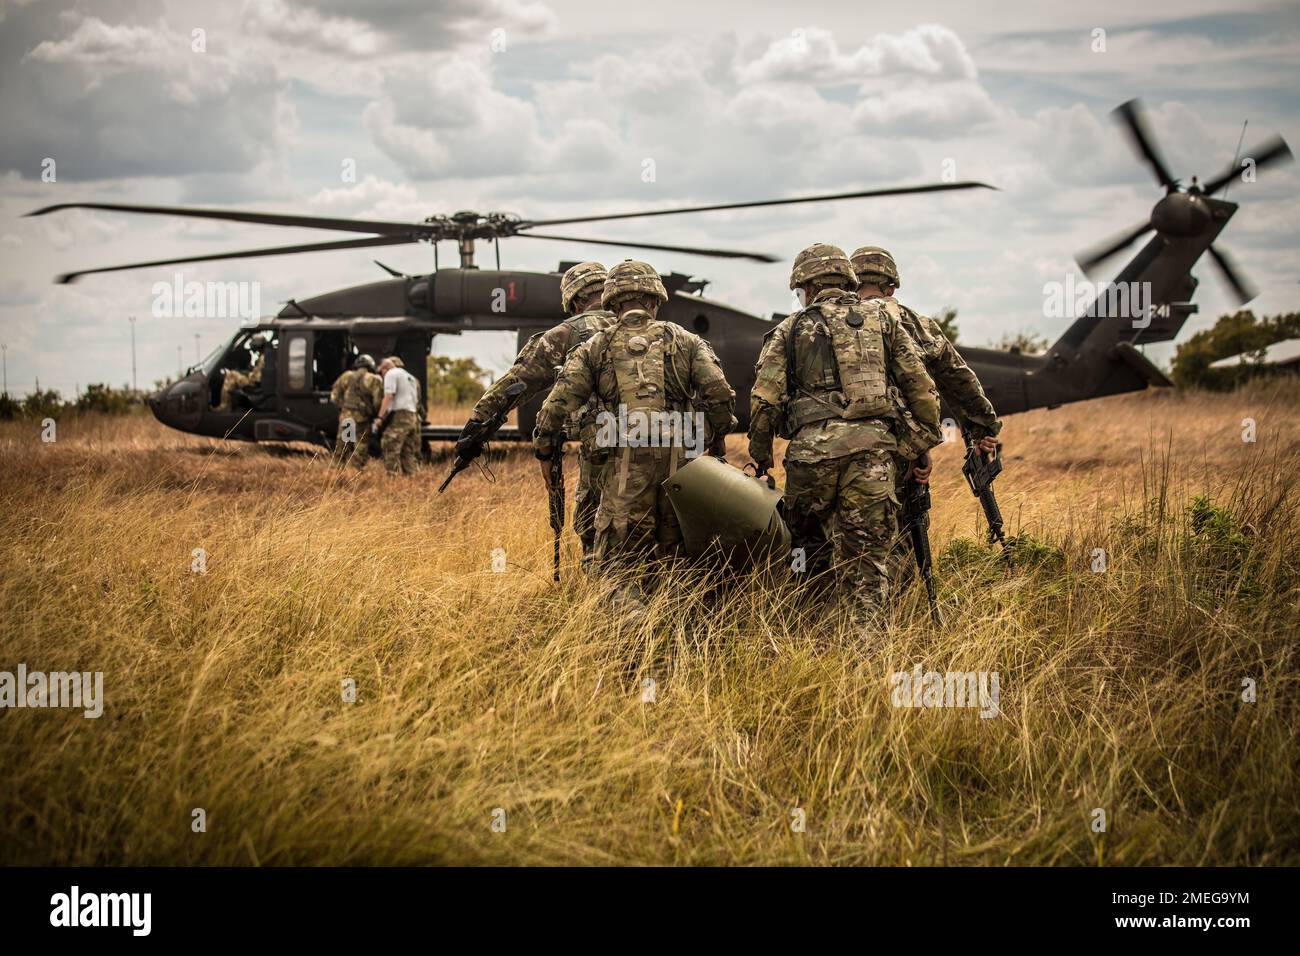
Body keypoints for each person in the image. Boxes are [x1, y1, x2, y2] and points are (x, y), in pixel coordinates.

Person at [748, 243, 941, 624]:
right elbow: (923, 393)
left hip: (809, 463)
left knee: (806, 553)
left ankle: (808, 632)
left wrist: (761, 454)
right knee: (868, 563)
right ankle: (866, 657)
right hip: (873, 461)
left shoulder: (791, 329)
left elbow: (764, 400)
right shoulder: (885, 323)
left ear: (808, 285)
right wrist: (910, 446)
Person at [533, 260, 735, 604]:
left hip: (624, 475)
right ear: (655, 299)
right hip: (682, 472)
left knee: (619, 569)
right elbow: (718, 393)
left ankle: (632, 640)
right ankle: (681, 634)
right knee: (678, 562)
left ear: (612, 302)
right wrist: (715, 440)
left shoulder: (595, 347)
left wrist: (543, 446)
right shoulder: (686, 341)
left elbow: (557, 404)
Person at [849, 246, 1002, 578]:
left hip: (837, 450)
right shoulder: (914, 323)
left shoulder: (834, 325)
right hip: (902, 450)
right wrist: (982, 428)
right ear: (891, 287)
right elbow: (958, 378)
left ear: (851, 283)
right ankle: (898, 610)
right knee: (903, 533)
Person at [455, 261, 616, 570]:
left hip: (602, 450)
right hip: (664, 447)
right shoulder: (646, 329)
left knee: (595, 532)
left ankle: (608, 606)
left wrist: (476, 427)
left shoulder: (565, 335)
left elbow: (515, 384)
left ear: (575, 300)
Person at [329, 353, 383, 467]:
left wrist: (343, 407)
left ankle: (336, 476)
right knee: (360, 448)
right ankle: (355, 476)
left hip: (346, 417)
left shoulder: (346, 376)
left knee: (342, 447)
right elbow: (378, 402)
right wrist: (374, 414)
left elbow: (334, 396)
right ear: (370, 366)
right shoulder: (374, 379)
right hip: (362, 419)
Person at [374, 356, 422, 476]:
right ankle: (411, 477)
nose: (381, 375)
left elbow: (389, 396)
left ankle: (391, 478)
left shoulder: (391, 374)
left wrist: (379, 418)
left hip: (401, 415)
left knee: (389, 444)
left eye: (381, 372)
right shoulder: (409, 376)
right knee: (408, 451)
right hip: (412, 416)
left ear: (385, 368)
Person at [216, 333, 267, 411]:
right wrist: (247, 371)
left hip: (253, 385)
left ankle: (224, 406)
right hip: (255, 382)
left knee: (231, 375)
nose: (252, 348)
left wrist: (247, 374)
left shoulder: (263, 358)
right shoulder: (263, 356)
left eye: (253, 345)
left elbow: (257, 379)